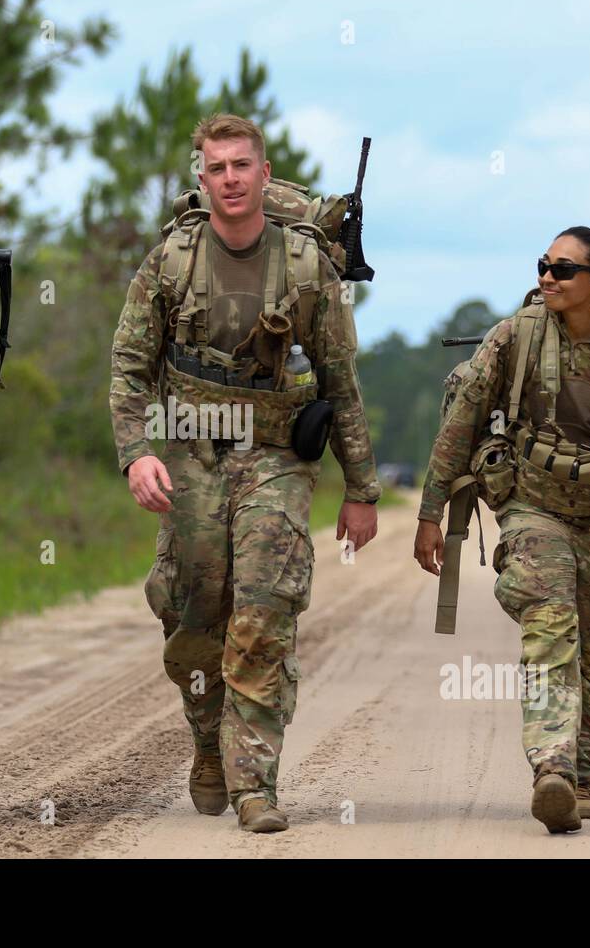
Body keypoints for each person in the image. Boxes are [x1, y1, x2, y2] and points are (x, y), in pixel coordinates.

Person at [110, 114, 381, 833]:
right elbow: (130, 367)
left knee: (265, 610)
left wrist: (362, 488)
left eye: (241, 166)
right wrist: (136, 451)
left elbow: (339, 378)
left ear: (264, 175)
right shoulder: (171, 260)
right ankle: (207, 739)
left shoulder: (303, 264)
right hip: (191, 455)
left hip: (277, 459)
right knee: (193, 611)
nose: (229, 178)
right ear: (201, 179)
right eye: (216, 167)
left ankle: (254, 782)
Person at [414, 227, 590, 833]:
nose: (547, 276)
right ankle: (552, 768)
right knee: (550, 620)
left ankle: (583, 773)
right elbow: (460, 424)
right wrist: (430, 513)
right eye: (544, 265)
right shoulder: (514, 337)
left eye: (563, 270)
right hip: (533, 507)